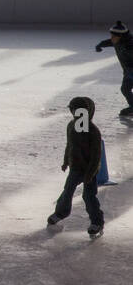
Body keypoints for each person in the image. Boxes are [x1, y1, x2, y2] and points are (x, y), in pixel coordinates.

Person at [47, 96, 103, 237]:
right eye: (73, 110)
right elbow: (70, 146)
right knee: (68, 191)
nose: (74, 113)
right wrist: (66, 161)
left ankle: (97, 222)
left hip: (90, 169)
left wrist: (91, 172)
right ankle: (60, 213)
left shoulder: (92, 130)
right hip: (75, 168)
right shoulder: (71, 126)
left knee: (89, 196)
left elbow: (97, 154)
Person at [95, 20, 133, 116]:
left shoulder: (130, 45)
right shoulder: (117, 41)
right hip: (128, 71)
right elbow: (109, 42)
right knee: (125, 89)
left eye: (113, 36)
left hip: (130, 72)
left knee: (125, 88)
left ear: (120, 36)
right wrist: (100, 45)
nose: (111, 38)